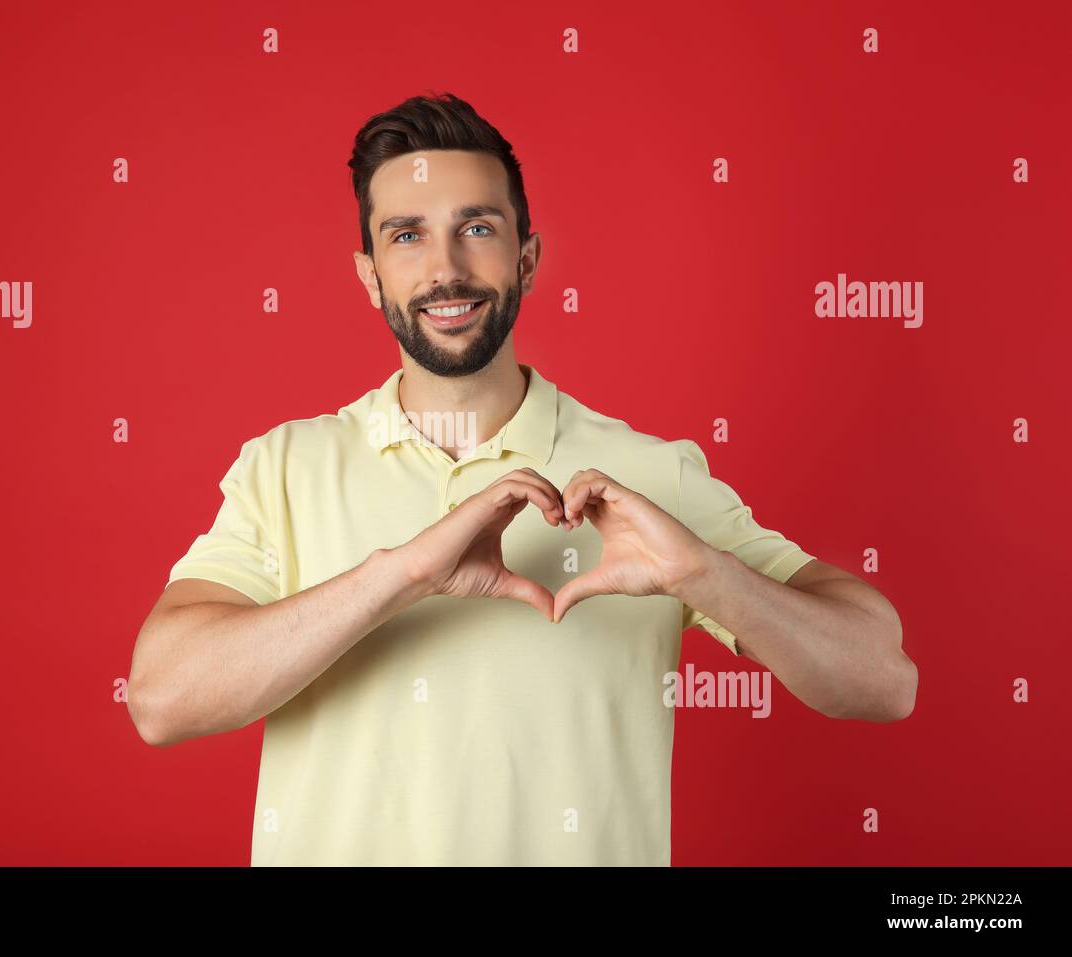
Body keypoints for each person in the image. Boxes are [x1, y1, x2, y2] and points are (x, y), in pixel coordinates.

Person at [127, 91, 917, 866]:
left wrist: (705, 575)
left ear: (527, 259)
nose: (446, 268)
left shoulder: (649, 477)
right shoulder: (283, 468)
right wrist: (403, 575)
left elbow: (883, 678)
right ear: (369, 276)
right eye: (407, 235)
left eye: (478, 227)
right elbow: (161, 699)